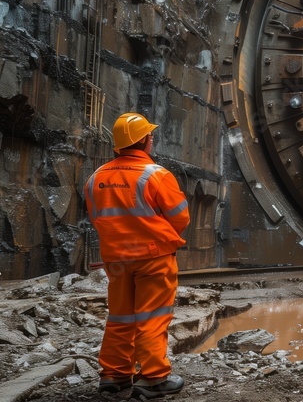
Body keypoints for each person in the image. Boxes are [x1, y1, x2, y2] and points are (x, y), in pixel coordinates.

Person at [84, 112, 189, 398]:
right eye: (150, 136)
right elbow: (181, 217)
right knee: (152, 317)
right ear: (143, 140)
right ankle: (153, 379)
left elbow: (97, 217)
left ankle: (114, 375)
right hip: (153, 256)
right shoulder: (156, 175)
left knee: (120, 317)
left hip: (117, 260)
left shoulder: (97, 177)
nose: (152, 139)